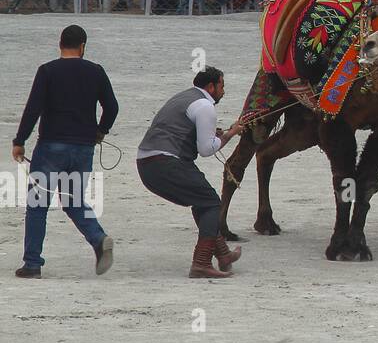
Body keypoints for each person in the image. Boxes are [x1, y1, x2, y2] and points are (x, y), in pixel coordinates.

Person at [12, 24, 119, 278]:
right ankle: (98, 237)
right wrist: (100, 131)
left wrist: (20, 140)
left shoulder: (48, 71)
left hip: (51, 145)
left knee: (38, 204)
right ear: (82, 46)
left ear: (60, 44)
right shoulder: (96, 71)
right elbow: (112, 107)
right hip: (83, 147)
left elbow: (33, 108)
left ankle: (32, 263)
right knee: (73, 201)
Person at [137, 67, 244, 278]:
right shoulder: (205, 106)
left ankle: (223, 255)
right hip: (166, 162)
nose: (224, 91)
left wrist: (216, 133)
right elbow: (206, 149)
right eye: (222, 86)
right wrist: (231, 133)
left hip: (146, 162)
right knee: (212, 202)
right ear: (210, 86)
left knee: (202, 200)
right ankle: (201, 263)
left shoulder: (184, 97)